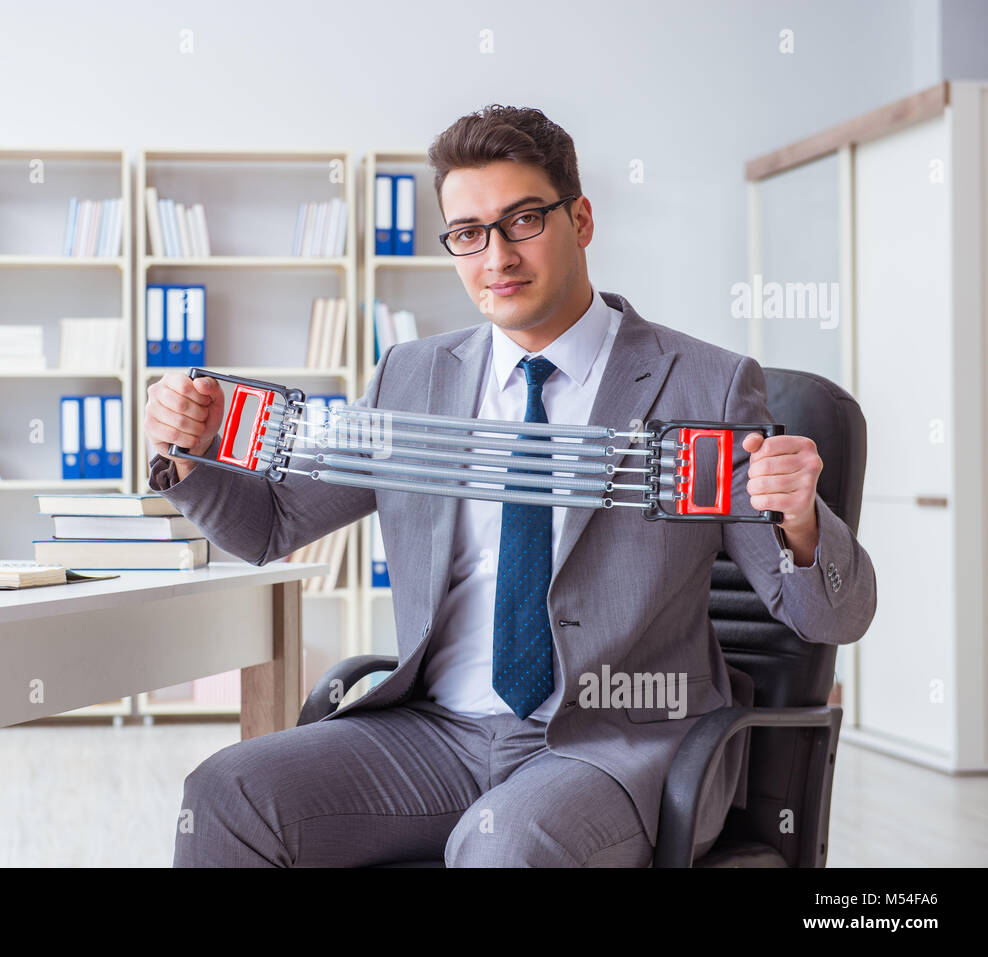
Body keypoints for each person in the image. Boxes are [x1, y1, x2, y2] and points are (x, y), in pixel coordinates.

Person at [143, 104, 877, 867]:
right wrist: (187, 456)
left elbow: (833, 615)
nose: (496, 256)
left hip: (612, 743)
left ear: (581, 219)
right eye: (467, 233)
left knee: (504, 847)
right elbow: (270, 527)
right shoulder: (412, 378)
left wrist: (799, 519)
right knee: (226, 794)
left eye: (523, 220)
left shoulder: (704, 387)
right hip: (435, 733)